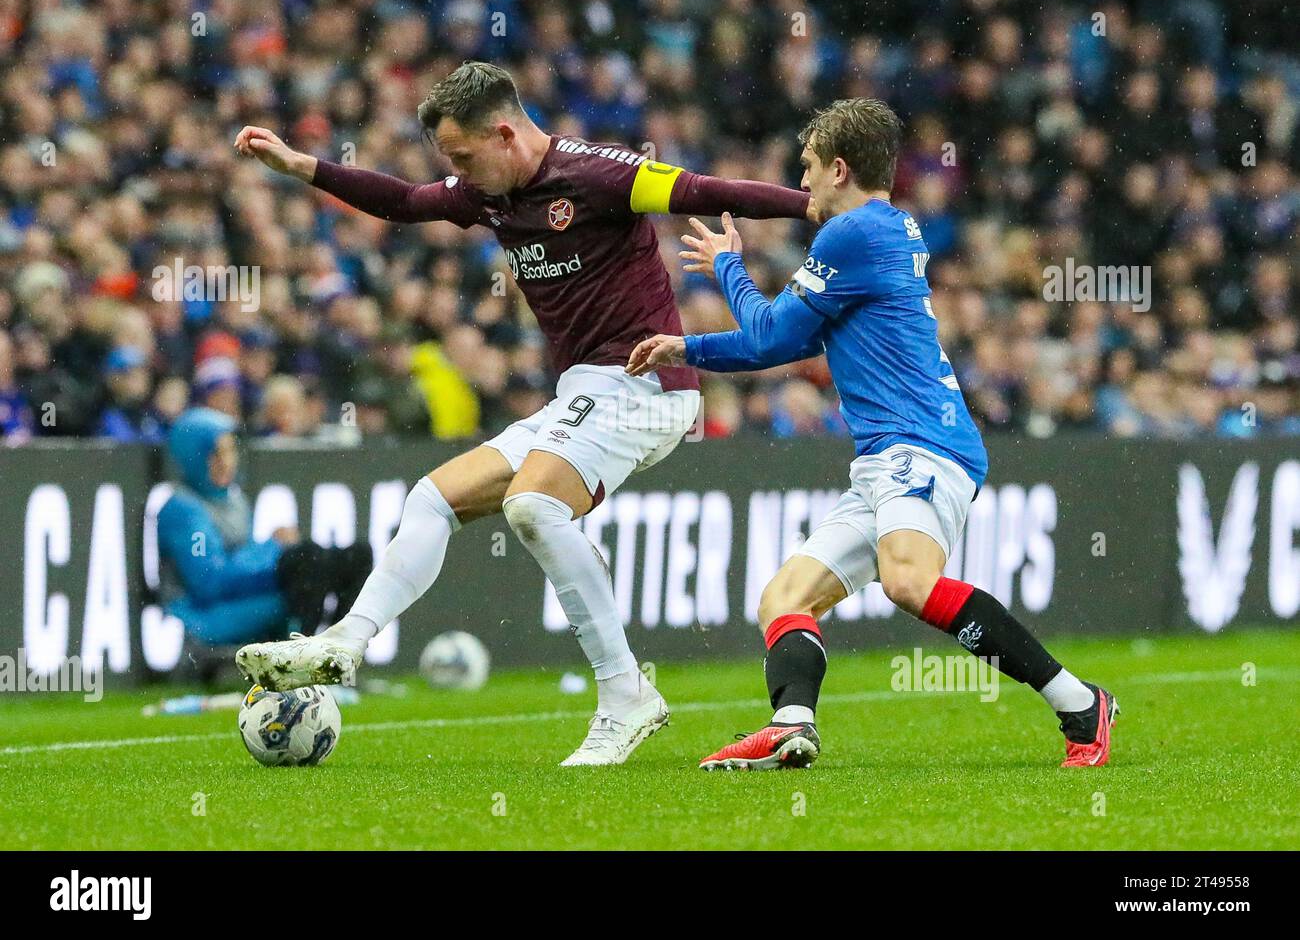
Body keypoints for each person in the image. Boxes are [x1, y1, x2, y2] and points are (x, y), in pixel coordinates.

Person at [231, 61, 815, 766]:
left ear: (505, 133)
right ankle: (346, 643)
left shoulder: (597, 174)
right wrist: (303, 167)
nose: (457, 173)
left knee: (534, 507)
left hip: (648, 384)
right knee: (432, 500)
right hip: (583, 395)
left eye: (463, 156)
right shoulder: (490, 193)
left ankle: (625, 694)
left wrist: (809, 206)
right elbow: (406, 202)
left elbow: (698, 189)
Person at [627, 98, 1118, 770]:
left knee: (909, 582)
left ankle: (1080, 704)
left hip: (923, 444)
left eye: (806, 169)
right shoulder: (886, 229)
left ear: (838, 168)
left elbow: (771, 337)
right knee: (784, 597)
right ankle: (792, 724)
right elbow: (782, 341)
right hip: (889, 457)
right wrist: (689, 349)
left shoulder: (852, 236)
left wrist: (727, 274)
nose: (800, 185)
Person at [157, 408, 372, 648]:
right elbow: (209, 583)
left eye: (230, 451)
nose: (226, 462)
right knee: (304, 563)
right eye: (215, 453)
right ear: (193, 456)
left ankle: (340, 650)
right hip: (201, 614)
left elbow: (239, 560)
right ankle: (310, 661)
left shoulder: (232, 499)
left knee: (356, 556)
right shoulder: (184, 509)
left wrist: (275, 552)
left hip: (237, 601)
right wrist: (275, 553)